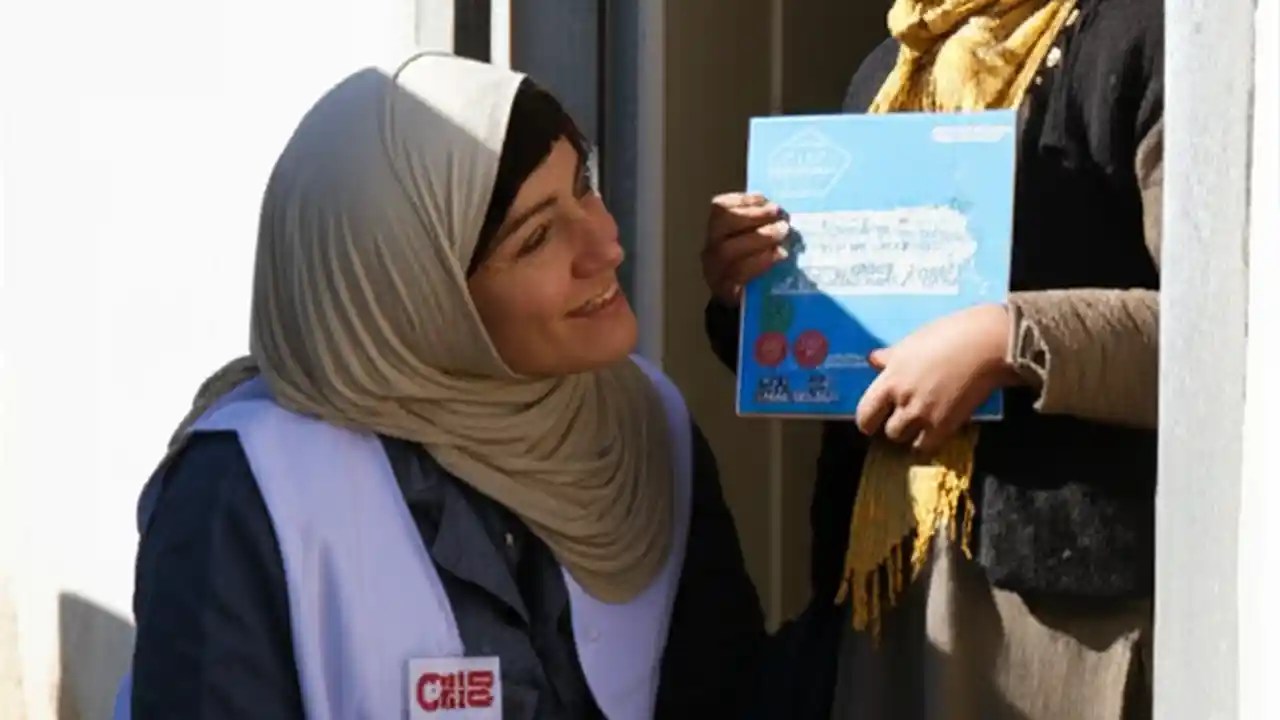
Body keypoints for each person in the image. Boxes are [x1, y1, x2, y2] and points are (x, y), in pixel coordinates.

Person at [115, 52, 763, 720]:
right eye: (536, 237)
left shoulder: (641, 425)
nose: (605, 245)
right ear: (416, 292)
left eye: (585, 185)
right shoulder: (250, 486)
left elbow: (735, 694)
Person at [704, 0, 1162, 717]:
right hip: (889, 587)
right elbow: (847, 356)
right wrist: (754, 293)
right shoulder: (893, 67)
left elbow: (1230, 337)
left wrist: (1010, 340)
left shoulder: (1151, 35)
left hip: (1063, 618)